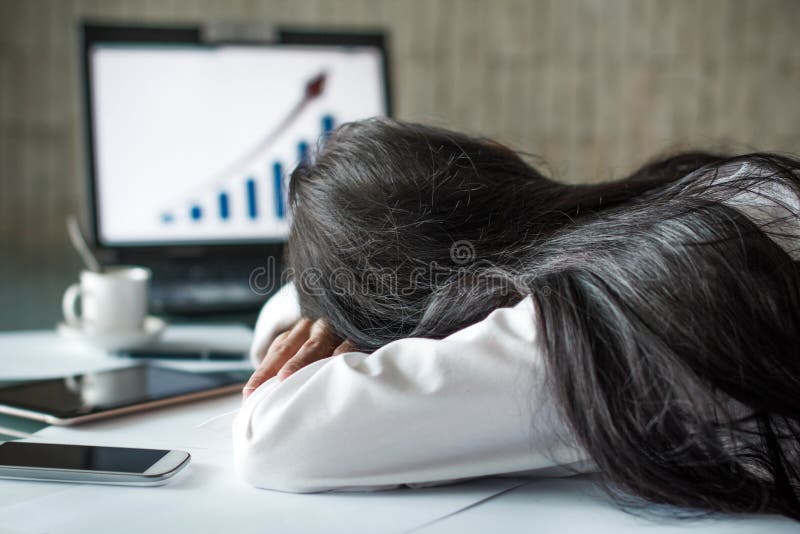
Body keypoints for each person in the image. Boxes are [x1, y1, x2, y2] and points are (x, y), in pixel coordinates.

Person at [233, 118, 800, 519]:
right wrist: (326, 302)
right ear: (502, 155)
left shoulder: (593, 321)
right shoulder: (718, 192)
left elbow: (280, 437)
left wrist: (333, 308)